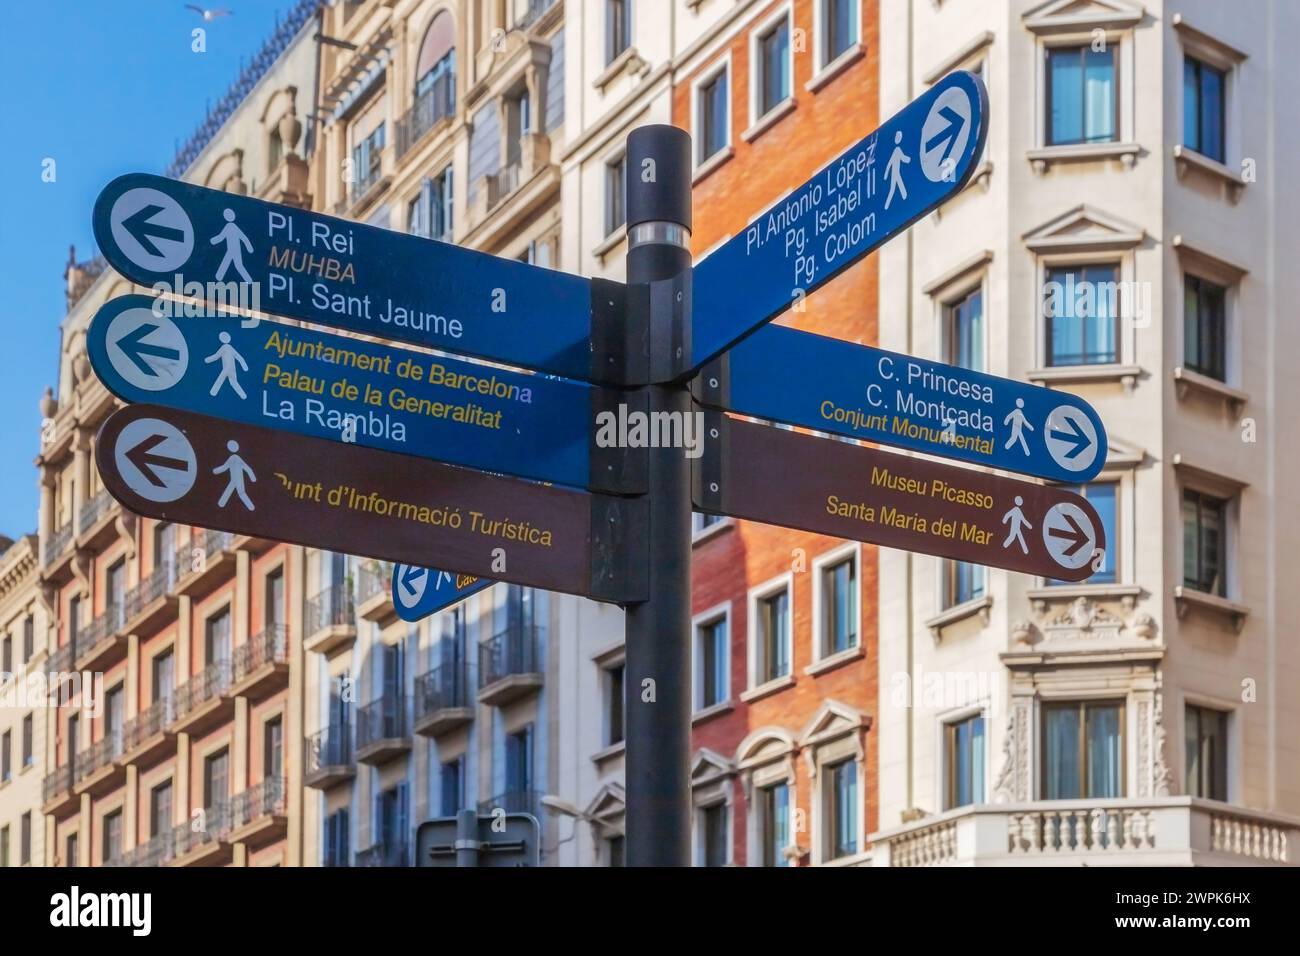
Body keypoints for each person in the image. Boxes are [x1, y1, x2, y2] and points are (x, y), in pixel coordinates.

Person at [210, 208, 253, 283]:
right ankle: (219, 276)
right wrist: (214, 240)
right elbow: (221, 237)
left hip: (235, 249)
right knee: (229, 263)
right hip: (231, 249)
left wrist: (249, 248)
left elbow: (244, 238)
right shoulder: (229, 226)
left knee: (238, 265)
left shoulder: (232, 227)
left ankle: (249, 280)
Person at [214, 439, 256, 511]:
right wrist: (215, 471)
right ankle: (221, 503)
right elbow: (225, 467)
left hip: (238, 480)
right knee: (236, 492)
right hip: (234, 479)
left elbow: (247, 468)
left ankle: (251, 507)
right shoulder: (233, 458)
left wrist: (253, 478)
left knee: (241, 493)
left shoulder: (236, 458)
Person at [205, 331, 248, 399]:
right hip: (232, 368)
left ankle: (213, 392)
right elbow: (240, 358)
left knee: (221, 379)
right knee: (233, 382)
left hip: (227, 368)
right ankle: (243, 395)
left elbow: (216, 356)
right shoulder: (230, 348)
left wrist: (207, 360)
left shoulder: (224, 347)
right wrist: (244, 367)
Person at [884, 130, 911, 211]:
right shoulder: (897, 150)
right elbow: (890, 163)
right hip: (894, 172)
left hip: (896, 172)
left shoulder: (897, 150)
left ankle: (905, 198)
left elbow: (901, 158)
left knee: (898, 186)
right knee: (892, 189)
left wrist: (907, 159)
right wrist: (886, 174)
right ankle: (886, 206)